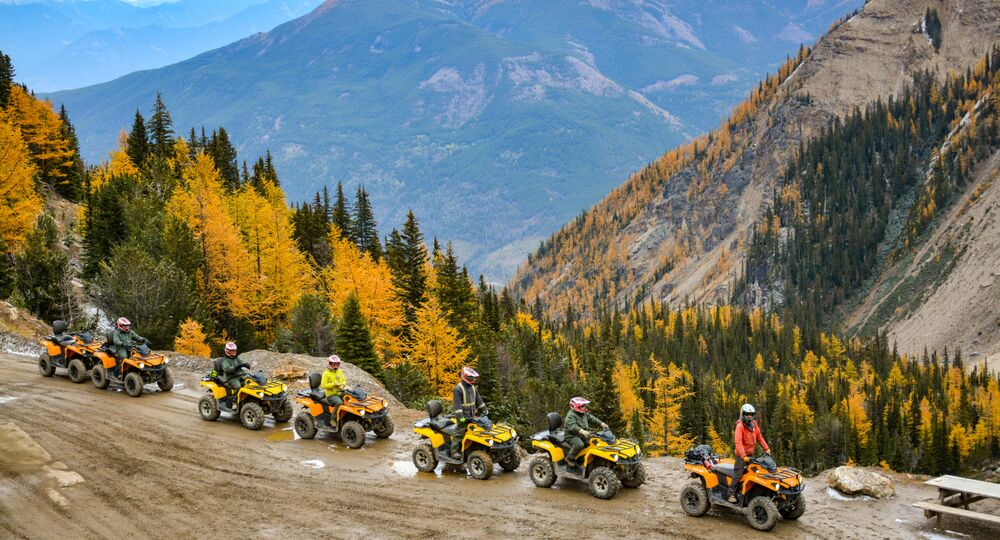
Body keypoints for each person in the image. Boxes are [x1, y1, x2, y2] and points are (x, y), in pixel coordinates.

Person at [728, 403, 770, 502]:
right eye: (747, 414)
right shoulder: (740, 426)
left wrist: (766, 448)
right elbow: (738, 442)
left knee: (755, 472)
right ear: (742, 414)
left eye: (751, 414)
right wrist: (743, 456)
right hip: (741, 456)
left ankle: (749, 493)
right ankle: (731, 494)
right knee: (738, 474)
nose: (749, 416)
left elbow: (760, 438)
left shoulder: (754, 425)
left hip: (750, 455)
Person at [451, 366, 485, 458]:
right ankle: (454, 452)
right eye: (471, 377)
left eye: (473, 377)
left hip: (472, 416)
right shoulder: (458, 389)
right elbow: (457, 405)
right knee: (459, 433)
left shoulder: (473, 388)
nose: (473, 379)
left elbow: (479, 401)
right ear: (466, 377)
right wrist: (461, 416)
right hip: (462, 418)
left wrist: (484, 410)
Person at [564, 397, 608, 469]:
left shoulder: (583, 413)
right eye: (582, 406)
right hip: (572, 435)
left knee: (593, 442)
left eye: (584, 405)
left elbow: (591, 418)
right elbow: (572, 426)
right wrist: (582, 431)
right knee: (579, 444)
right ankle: (569, 458)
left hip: (582, 434)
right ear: (576, 406)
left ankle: (583, 459)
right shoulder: (570, 416)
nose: (584, 407)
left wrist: (601, 423)